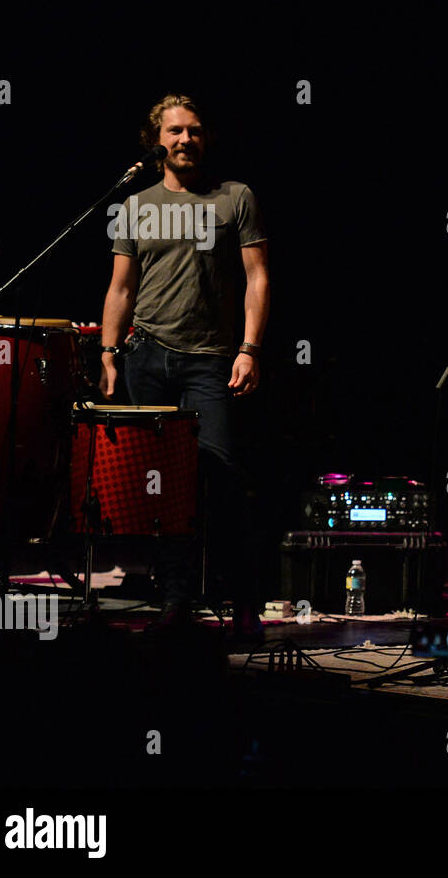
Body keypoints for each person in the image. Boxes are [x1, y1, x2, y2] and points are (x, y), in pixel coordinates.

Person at [99, 93, 271, 633]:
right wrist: (108, 352)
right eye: (174, 131)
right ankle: (175, 601)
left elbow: (258, 278)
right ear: (158, 141)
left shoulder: (234, 197)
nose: (185, 139)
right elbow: (121, 287)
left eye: (194, 130)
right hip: (146, 356)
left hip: (209, 360)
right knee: (161, 486)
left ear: (207, 137)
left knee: (218, 475)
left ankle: (244, 599)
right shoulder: (135, 205)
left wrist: (249, 348)